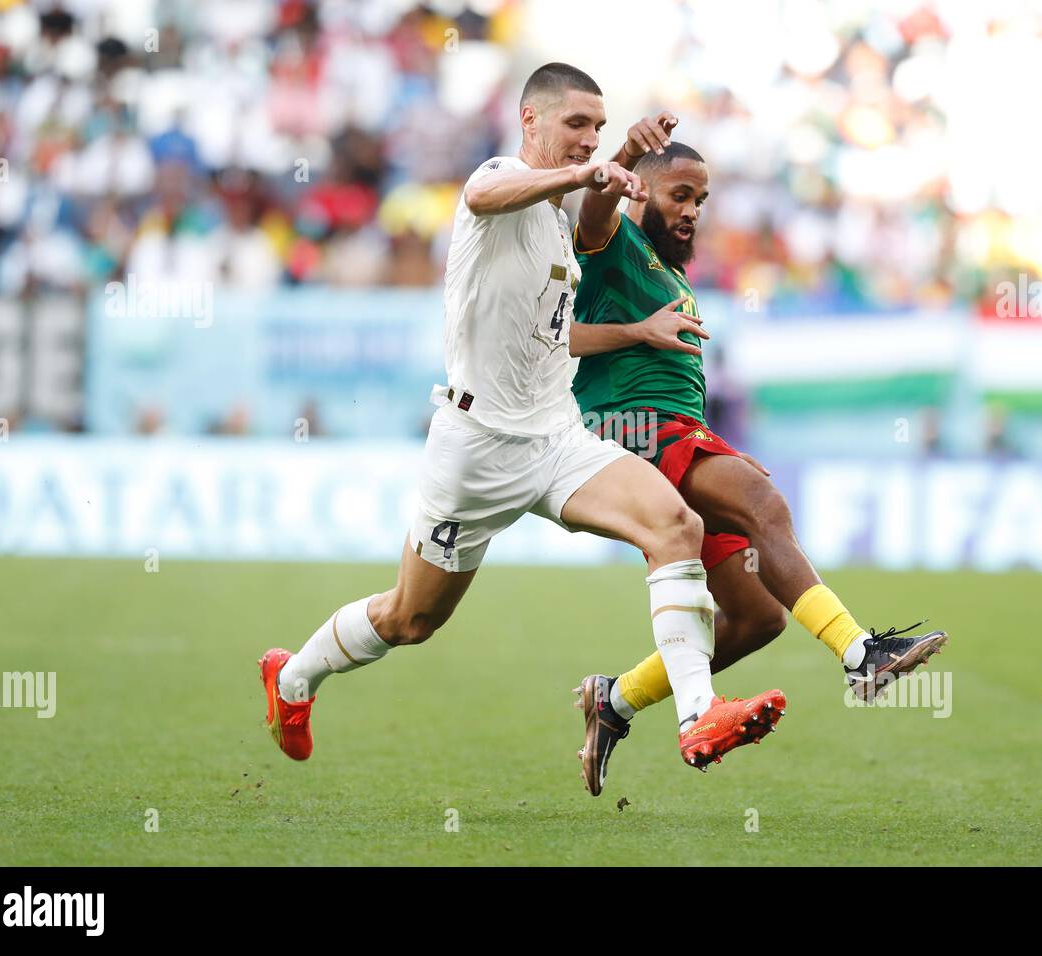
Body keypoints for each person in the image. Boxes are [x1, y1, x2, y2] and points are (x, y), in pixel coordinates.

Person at [258, 65, 785, 776]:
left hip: (557, 435)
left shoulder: (567, 213)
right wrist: (590, 171)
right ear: (531, 121)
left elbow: (564, 320)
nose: (588, 138)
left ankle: (697, 716)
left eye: (598, 126)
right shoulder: (503, 177)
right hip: (474, 447)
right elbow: (484, 191)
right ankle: (293, 680)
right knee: (412, 618)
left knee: (675, 526)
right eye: (576, 124)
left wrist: (622, 160)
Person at [568, 116, 948, 795]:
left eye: (701, 201)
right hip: (634, 432)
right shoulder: (616, 241)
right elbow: (591, 215)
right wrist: (620, 158)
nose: (691, 211)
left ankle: (614, 700)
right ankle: (862, 655)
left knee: (757, 617)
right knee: (763, 502)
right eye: (680, 194)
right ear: (641, 192)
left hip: (674, 431)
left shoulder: (667, 273)